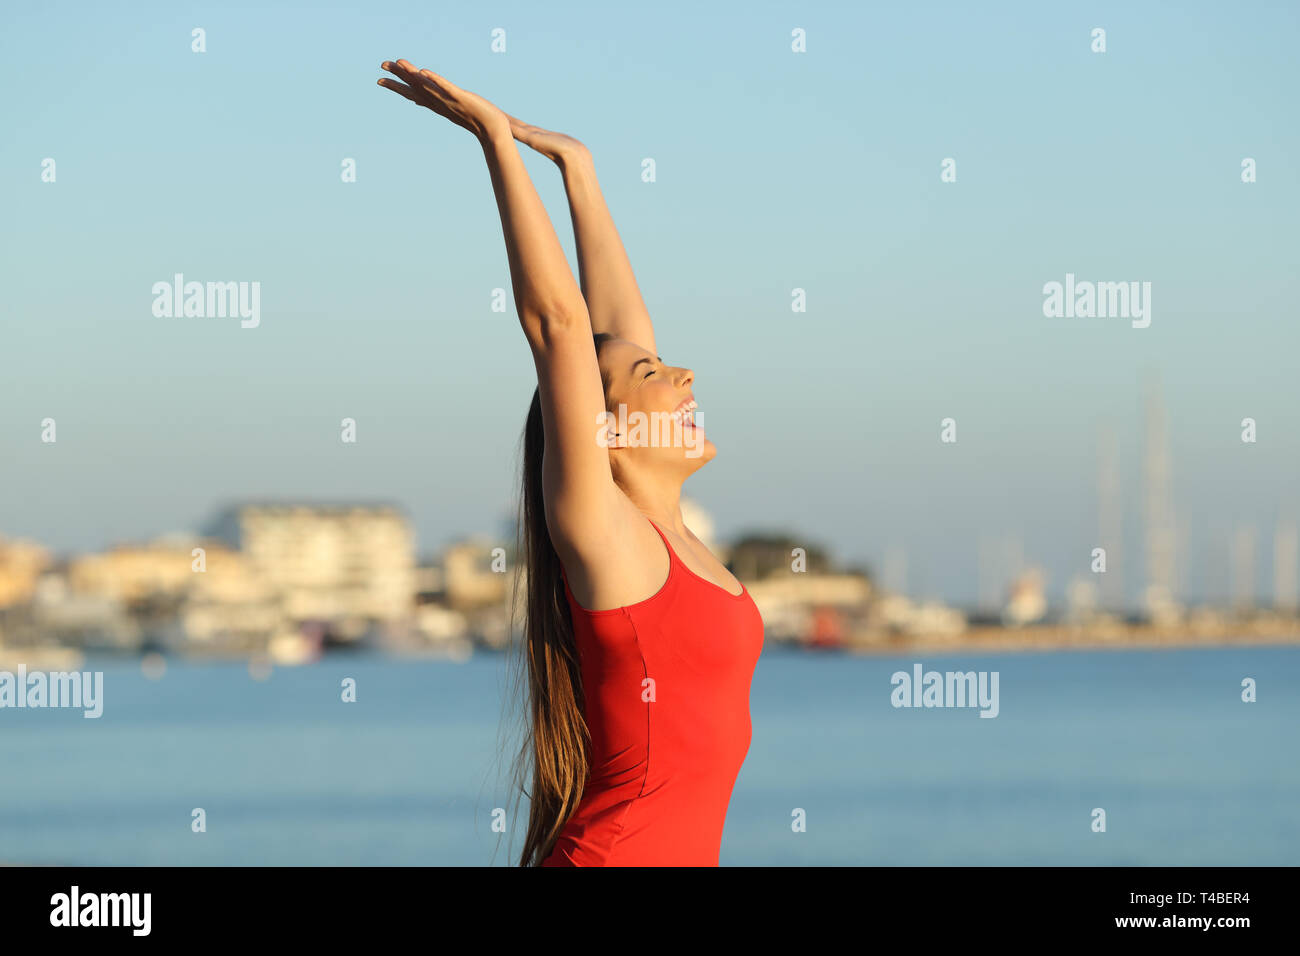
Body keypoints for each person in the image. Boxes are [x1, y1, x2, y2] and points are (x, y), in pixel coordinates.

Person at [378, 60, 764, 866]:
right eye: (656, 377)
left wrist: (580, 173)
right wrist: (495, 141)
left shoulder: (672, 541)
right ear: (607, 433)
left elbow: (617, 334)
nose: (683, 373)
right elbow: (561, 326)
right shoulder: (605, 535)